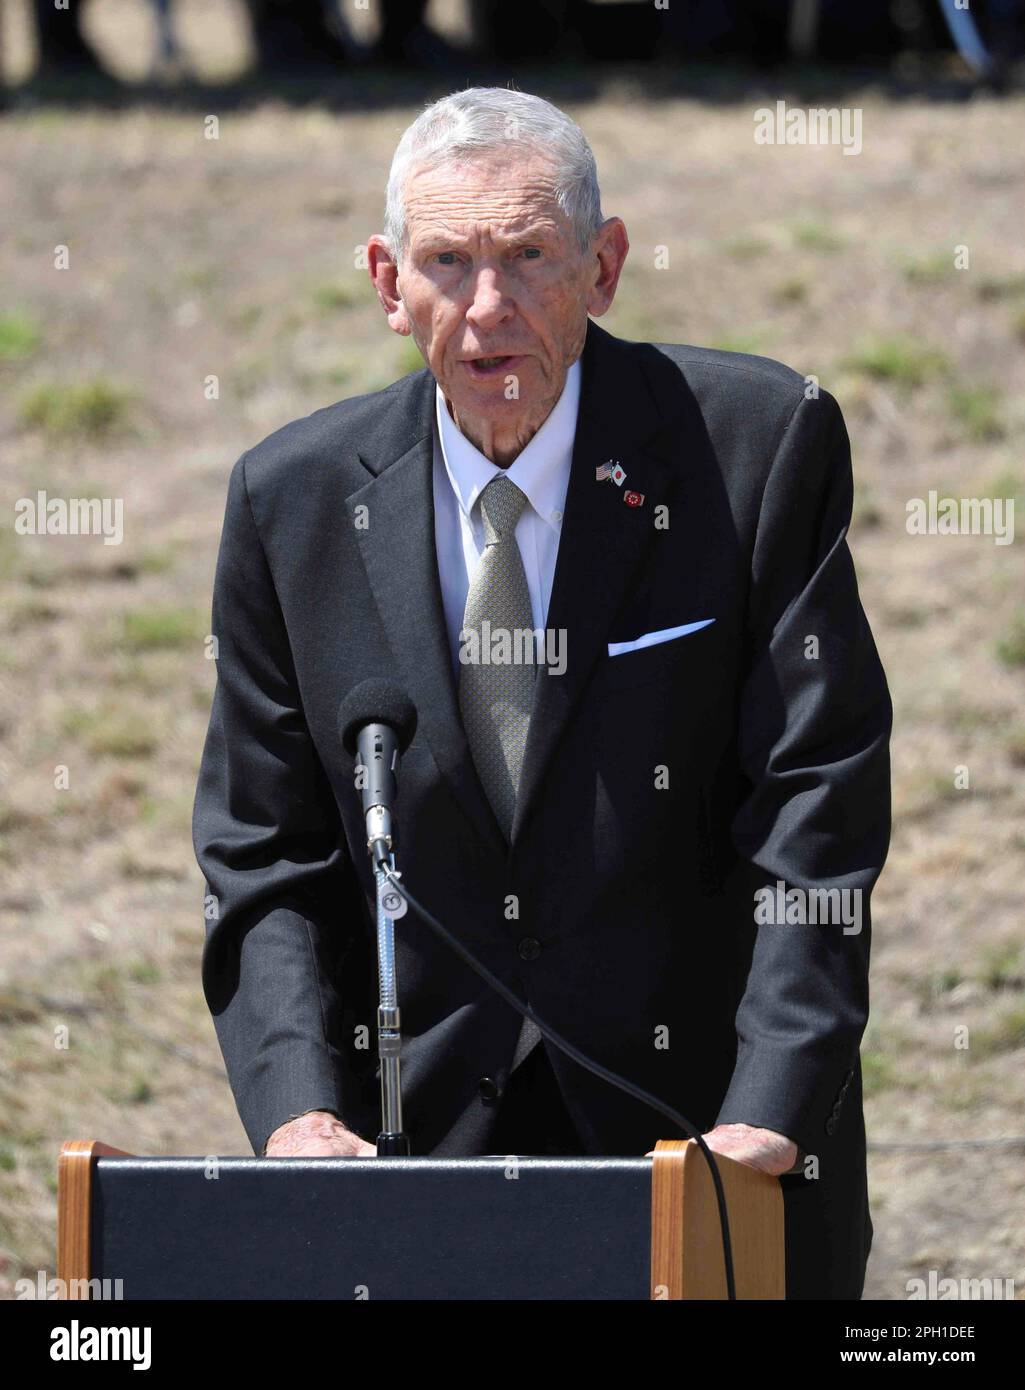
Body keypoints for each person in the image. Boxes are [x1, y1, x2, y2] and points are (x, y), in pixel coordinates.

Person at [193, 86, 892, 1300]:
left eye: (527, 258)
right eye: (445, 262)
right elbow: (266, 855)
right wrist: (299, 1109)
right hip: (416, 1165)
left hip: (707, 1146)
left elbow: (814, 806)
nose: (485, 310)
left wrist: (768, 1108)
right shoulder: (287, 502)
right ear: (382, 280)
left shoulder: (754, 446)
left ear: (604, 266)